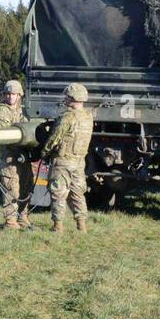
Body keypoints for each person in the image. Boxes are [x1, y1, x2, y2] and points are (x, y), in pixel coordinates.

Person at [41, 82, 94, 233]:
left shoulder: (67, 117)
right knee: (77, 193)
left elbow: (54, 139)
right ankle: (81, 226)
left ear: (71, 98)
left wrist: (44, 153)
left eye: (67, 97)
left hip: (63, 161)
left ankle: (58, 226)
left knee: (58, 193)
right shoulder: (88, 117)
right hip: (79, 161)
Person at [0, 79, 35, 229]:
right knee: (12, 188)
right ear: (5, 95)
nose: (11, 97)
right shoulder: (3, 110)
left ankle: (23, 218)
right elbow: (5, 135)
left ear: (19, 96)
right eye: (8, 94)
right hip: (10, 155)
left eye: (14, 94)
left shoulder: (20, 110)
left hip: (22, 155)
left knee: (26, 185)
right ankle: (10, 222)